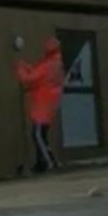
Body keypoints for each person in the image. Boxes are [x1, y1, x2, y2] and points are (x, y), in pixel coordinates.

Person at [15, 37, 64, 173]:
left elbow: (28, 79)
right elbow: (40, 76)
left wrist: (20, 69)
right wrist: (28, 67)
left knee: (37, 134)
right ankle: (42, 162)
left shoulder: (47, 66)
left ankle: (49, 162)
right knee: (41, 134)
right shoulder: (56, 64)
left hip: (43, 103)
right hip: (51, 102)